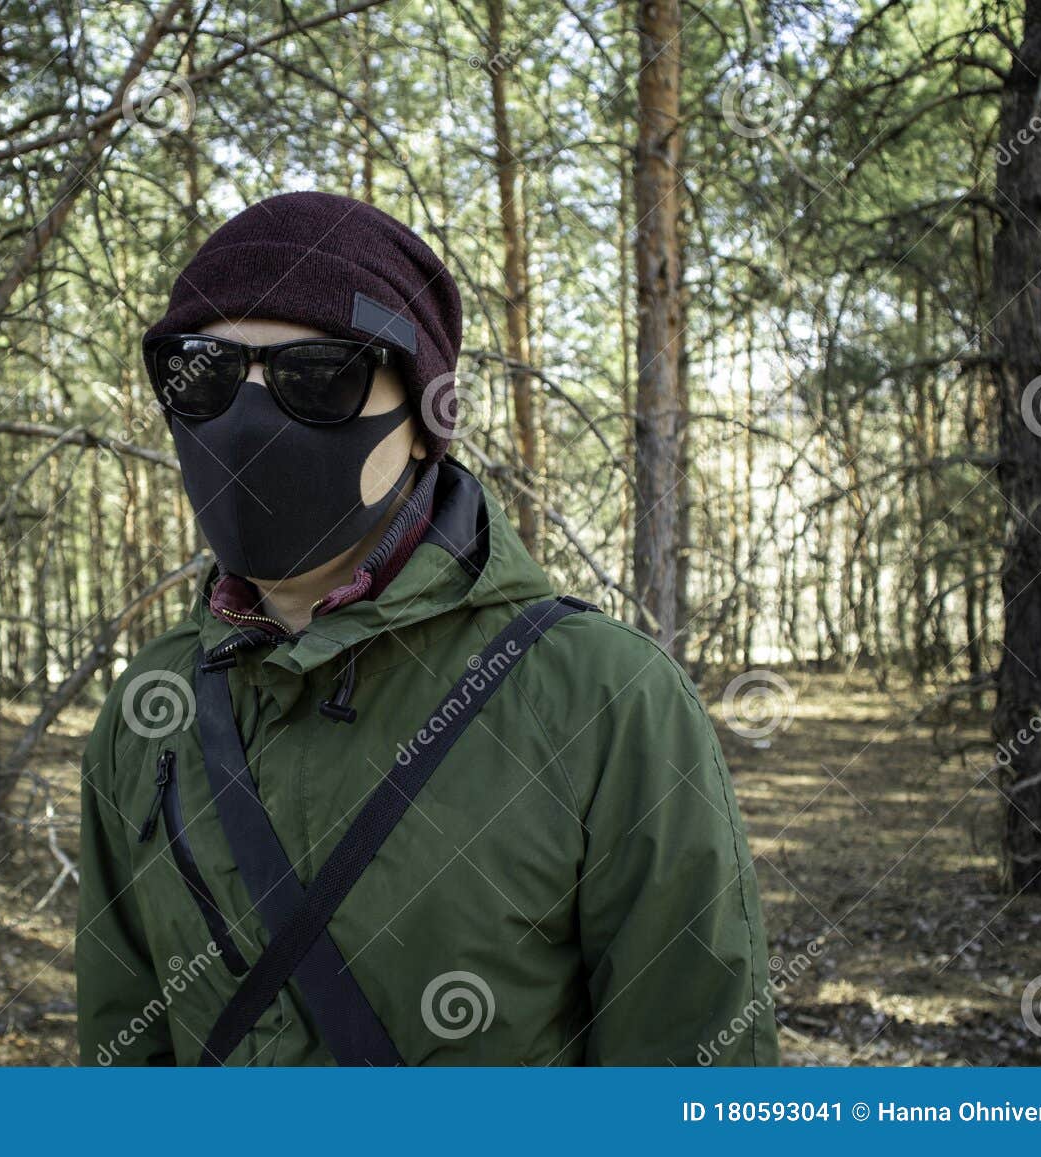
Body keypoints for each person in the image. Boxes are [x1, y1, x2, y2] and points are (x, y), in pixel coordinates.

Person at [75, 191, 777, 1066]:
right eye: (205, 371)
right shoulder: (149, 710)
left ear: (423, 418)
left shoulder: (606, 701)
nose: (247, 418)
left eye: (318, 373)